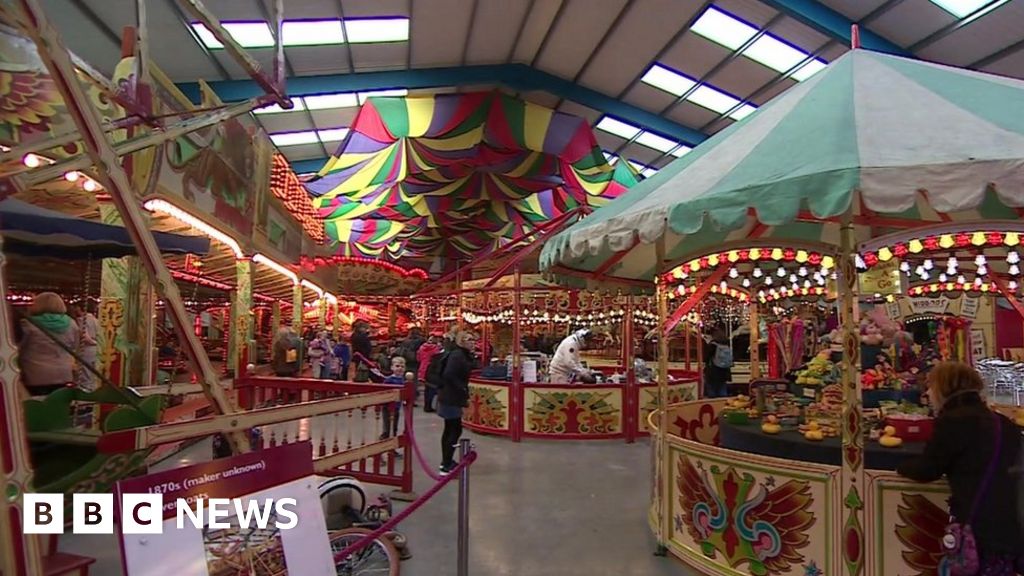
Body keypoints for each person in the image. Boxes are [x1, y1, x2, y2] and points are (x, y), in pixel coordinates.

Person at [897, 362, 1022, 574]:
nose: (928, 392)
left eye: (931, 386)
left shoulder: (953, 421)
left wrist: (901, 466)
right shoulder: (1002, 422)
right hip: (1009, 525)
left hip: (978, 528)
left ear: (944, 387)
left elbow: (928, 469)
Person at [18, 292, 81, 396]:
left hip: (35, 374)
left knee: (36, 406)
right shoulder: (72, 324)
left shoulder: (27, 325)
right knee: (60, 406)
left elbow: (19, 348)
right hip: (64, 373)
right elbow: (75, 346)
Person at [437, 331, 475, 474]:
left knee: (452, 428)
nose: (473, 342)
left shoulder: (460, 355)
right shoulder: (457, 355)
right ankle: (446, 463)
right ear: (462, 341)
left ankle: (447, 461)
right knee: (453, 429)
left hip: (450, 395)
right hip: (451, 396)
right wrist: (462, 388)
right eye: (470, 339)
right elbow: (449, 374)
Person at [69, 304, 99, 390]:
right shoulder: (97, 321)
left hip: (86, 350)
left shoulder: (82, 321)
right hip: (96, 351)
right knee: (93, 377)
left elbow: (85, 337)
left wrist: (93, 342)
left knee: (85, 377)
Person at [381, 356, 406, 440]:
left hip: (397, 406)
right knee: (388, 427)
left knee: (394, 427)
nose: (400, 368)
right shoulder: (389, 380)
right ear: (392, 367)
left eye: (402, 367)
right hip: (388, 407)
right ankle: (384, 441)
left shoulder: (403, 380)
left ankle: (392, 446)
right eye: (397, 366)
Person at [703, 327, 732, 398]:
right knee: (722, 387)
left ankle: (714, 404)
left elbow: (706, 357)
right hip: (724, 370)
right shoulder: (726, 344)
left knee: (711, 388)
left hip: (713, 369)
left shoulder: (713, 345)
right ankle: (723, 403)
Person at [417, 334, 442, 412]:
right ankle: (430, 406)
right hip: (431, 368)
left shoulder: (421, 348)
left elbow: (418, 358)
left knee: (427, 389)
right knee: (432, 389)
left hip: (423, 367)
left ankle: (427, 405)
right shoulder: (435, 349)